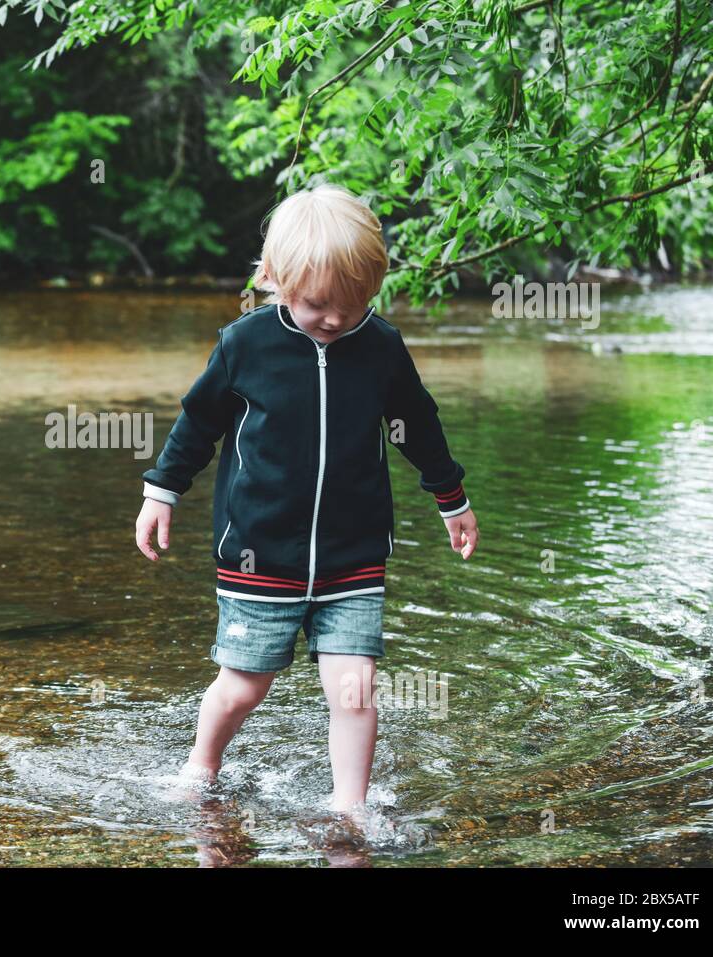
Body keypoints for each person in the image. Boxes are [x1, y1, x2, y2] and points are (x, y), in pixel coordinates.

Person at [135, 184, 479, 812]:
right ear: (274, 279)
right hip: (258, 554)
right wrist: (162, 491)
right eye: (319, 305)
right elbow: (198, 422)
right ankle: (201, 764)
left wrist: (450, 497)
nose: (336, 320)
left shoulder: (380, 347)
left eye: (353, 305)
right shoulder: (247, 344)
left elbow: (417, 424)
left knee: (354, 690)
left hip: (353, 555)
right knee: (244, 686)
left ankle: (349, 810)